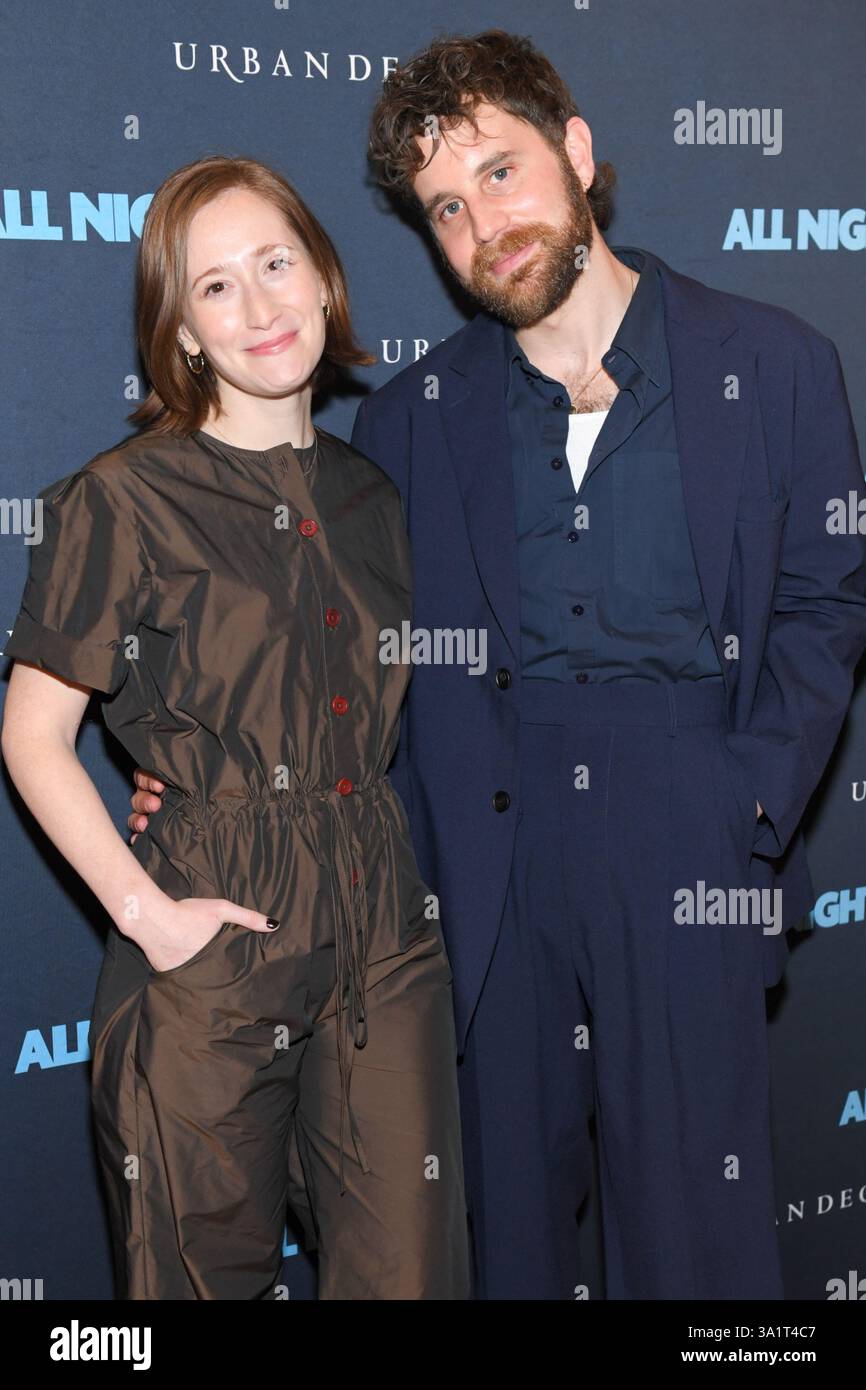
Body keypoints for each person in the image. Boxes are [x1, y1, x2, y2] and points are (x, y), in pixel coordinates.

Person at [130, 32, 866, 1299]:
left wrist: (744, 798)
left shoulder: (776, 362)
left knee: (700, 1239)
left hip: (688, 835)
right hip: (484, 857)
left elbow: (822, 598)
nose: (484, 226)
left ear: (577, 154)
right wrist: (201, 774)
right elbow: (341, 633)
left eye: (501, 172)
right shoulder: (414, 416)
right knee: (505, 1235)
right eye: (446, 208)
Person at [2, 154, 470, 1301]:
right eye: (215, 286)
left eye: (275, 264)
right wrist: (148, 916)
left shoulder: (377, 496)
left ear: (323, 277)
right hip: (211, 923)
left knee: (407, 1274)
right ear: (181, 329)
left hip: (382, 922)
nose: (259, 306)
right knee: (196, 1282)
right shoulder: (120, 499)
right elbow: (31, 734)